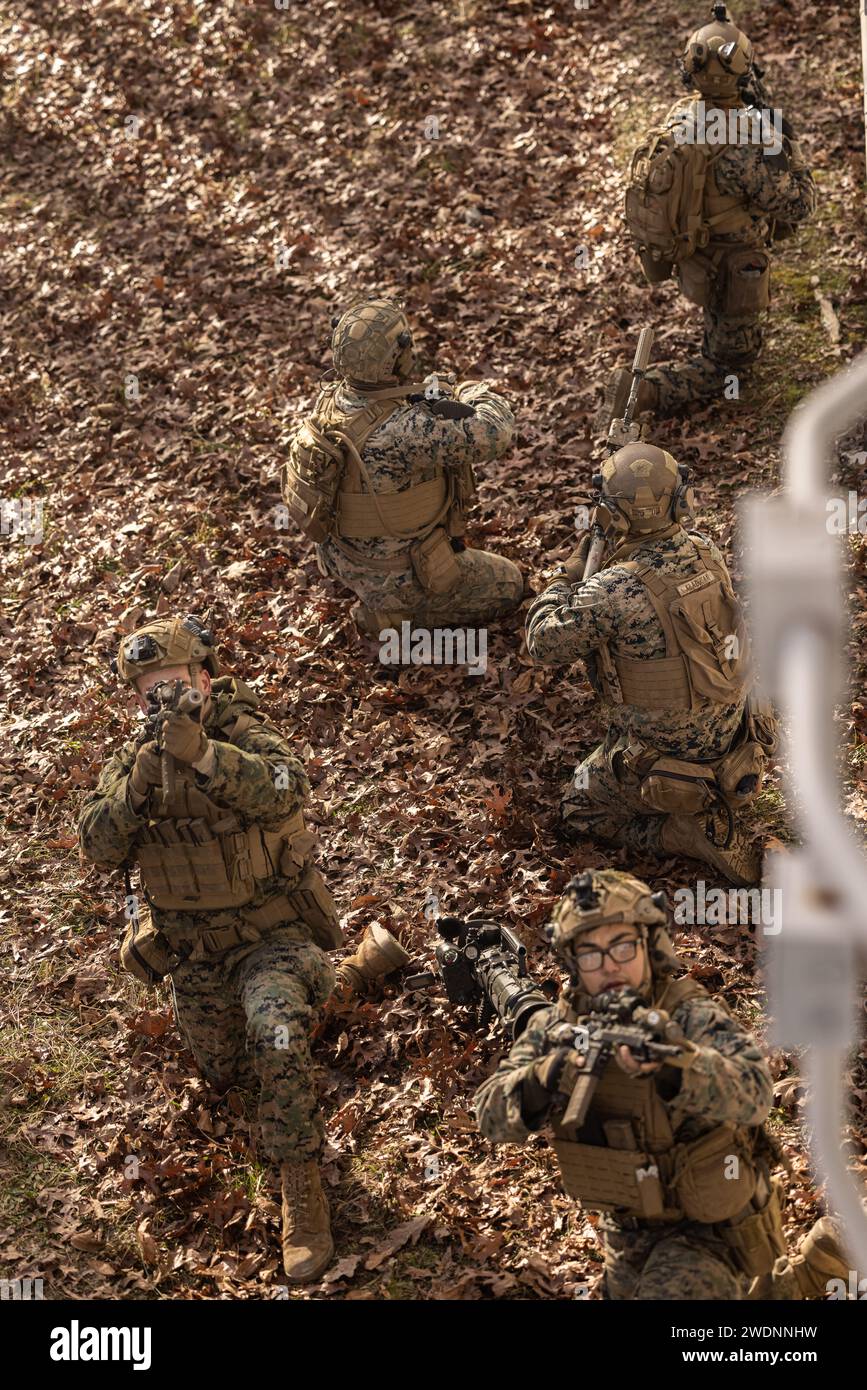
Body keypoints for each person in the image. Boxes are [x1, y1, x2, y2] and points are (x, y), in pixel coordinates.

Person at [78, 614, 405, 1281]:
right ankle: (352, 974)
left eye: (174, 686)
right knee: (230, 1073)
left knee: (276, 1031)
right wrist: (137, 789)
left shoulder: (243, 735)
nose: (163, 701)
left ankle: (302, 1191)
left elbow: (290, 788)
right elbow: (97, 849)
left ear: (204, 678)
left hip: (272, 938)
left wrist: (204, 755)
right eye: (149, 693)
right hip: (197, 958)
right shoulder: (131, 762)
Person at [474, 869, 850, 1300]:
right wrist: (541, 1080)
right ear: (574, 965)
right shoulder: (558, 1028)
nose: (609, 965)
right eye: (590, 954)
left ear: (649, 946)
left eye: (622, 946)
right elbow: (489, 1117)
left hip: (712, 1230)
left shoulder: (690, 1014)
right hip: (627, 1230)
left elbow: (756, 1094)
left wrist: (676, 1069)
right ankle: (808, 1273)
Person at [525, 440, 775, 886]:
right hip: (734, 737)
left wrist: (567, 573)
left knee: (578, 809)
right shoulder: (705, 550)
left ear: (613, 515)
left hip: (670, 759)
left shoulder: (610, 591)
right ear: (682, 501)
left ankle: (681, 831)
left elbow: (543, 643)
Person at [616, 3, 815, 416]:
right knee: (733, 370)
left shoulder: (682, 116)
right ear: (743, 72)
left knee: (727, 334)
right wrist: (790, 151)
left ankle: (712, 341)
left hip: (695, 255)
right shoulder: (745, 142)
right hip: (733, 266)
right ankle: (645, 392)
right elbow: (800, 204)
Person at [282, 296, 524, 636]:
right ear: (397, 356)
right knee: (511, 583)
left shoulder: (332, 398)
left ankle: (374, 591)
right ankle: (393, 616)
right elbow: (494, 433)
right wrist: (473, 390)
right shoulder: (405, 429)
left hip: (341, 557)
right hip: (397, 575)